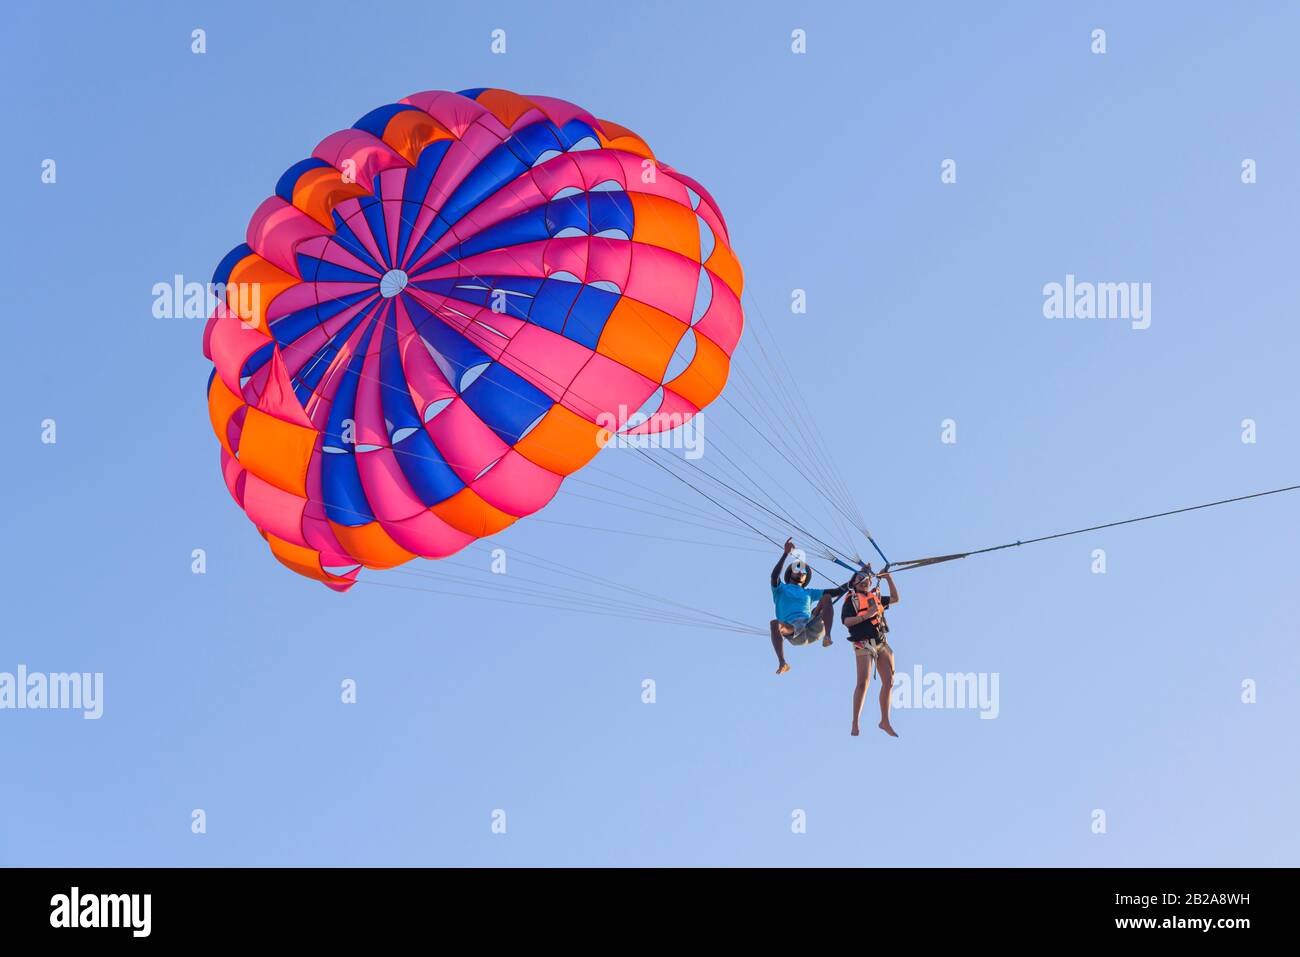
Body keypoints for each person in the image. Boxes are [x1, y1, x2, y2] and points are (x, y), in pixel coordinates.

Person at [769, 538, 846, 675]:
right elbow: (774, 576)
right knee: (775, 624)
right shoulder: (780, 589)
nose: (800, 571)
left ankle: (827, 636)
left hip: (811, 622)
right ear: (790, 573)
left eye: (804, 571)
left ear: (806, 579)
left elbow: (837, 591)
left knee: (826, 597)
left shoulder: (809, 592)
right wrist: (785, 553)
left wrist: (858, 578)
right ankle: (782, 662)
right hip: (793, 629)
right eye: (797, 568)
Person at [843, 566, 900, 737]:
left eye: (867, 579)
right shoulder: (851, 600)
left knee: (889, 682)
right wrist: (867, 615)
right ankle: (855, 722)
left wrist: (888, 578)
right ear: (854, 582)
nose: (865, 581)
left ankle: (885, 721)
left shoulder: (874, 598)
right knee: (863, 682)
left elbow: (896, 598)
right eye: (860, 578)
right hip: (862, 642)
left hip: (881, 642)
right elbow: (847, 622)